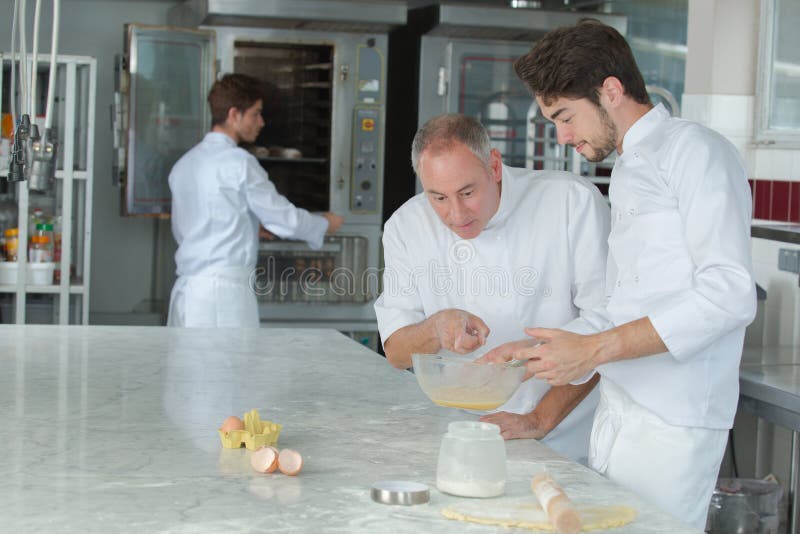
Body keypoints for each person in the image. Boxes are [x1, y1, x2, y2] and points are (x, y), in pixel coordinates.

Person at [481, 20, 756, 528]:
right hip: (620, 407)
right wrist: (537, 352)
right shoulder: (627, 170)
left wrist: (594, 350)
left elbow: (730, 293)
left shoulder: (695, 151)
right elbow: (620, 307)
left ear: (610, 90)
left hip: (676, 418)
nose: (563, 137)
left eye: (565, 116)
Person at [374, 114, 610, 463]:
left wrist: (537, 420)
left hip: (568, 435)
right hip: (458, 432)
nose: (456, 214)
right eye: (438, 197)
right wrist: (436, 328)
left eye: (467, 193)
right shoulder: (406, 227)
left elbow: (606, 331)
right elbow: (396, 352)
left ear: (495, 166)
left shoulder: (571, 203)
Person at [167, 74, 344, 328]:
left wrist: (247, 225)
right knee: (228, 368)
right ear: (233, 114)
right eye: (256, 114)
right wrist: (324, 223)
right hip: (223, 298)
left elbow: (198, 223)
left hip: (190, 295)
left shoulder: (184, 164)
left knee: (191, 368)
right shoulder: (239, 162)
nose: (261, 122)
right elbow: (285, 219)